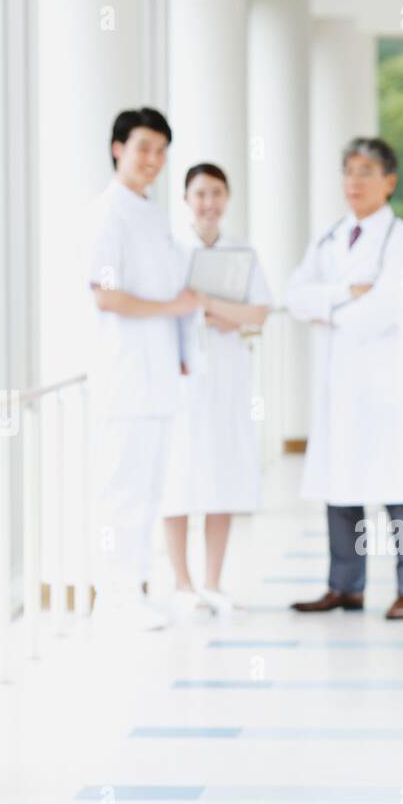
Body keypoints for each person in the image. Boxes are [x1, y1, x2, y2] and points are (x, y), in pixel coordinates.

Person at [285, 137, 403, 620]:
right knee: (339, 482)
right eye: (348, 171)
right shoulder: (328, 238)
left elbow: (393, 305)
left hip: (385, 386)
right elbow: (294, 296)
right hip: (337, 384)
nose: (354, 181)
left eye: (365, 171)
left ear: (389, 180)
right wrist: (344, 293)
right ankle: (344, 586)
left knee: (399, 486)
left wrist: (328, 309)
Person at [87, 106, 200, 630]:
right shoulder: (107, 213)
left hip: (156, 380)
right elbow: (107, 297)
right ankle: (113, 598)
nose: (153, 160)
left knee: (150, 488)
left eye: (160, 150)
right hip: (125, 378)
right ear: (118, 149)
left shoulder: (153, 214)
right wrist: (172, 309)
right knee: (123, 491)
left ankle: (131, 588)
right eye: (142, 148)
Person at [161, 163, 271, 616]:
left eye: (217, 194)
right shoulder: (170, 250)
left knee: (223, 479)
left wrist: (209, 306)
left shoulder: (242, 252)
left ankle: (213, 582)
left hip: (227, 381)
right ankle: (182, 584)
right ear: (187, 200)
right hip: (181, 379)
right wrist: (227, 313)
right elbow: (170, 311)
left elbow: (260, 314)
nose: (209, 203)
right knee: (178, 480)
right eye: (200, 194)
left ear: (227, 200)